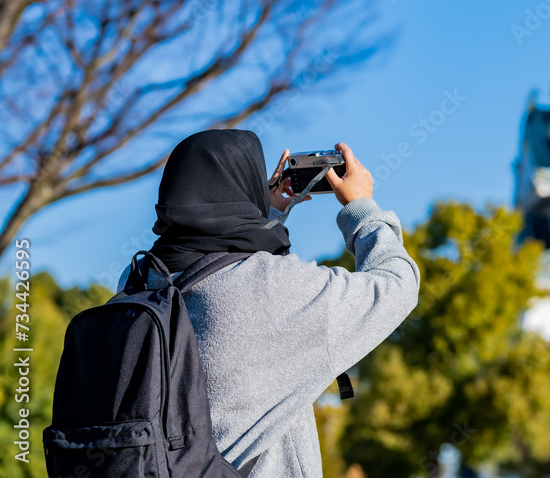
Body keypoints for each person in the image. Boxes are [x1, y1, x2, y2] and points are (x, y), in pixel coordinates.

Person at [115, 129, 420, 477]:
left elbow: (211, 259)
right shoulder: (272, 289)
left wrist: (263, 215)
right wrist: (361, 206)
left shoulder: (135, 283)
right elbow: (398, 285)